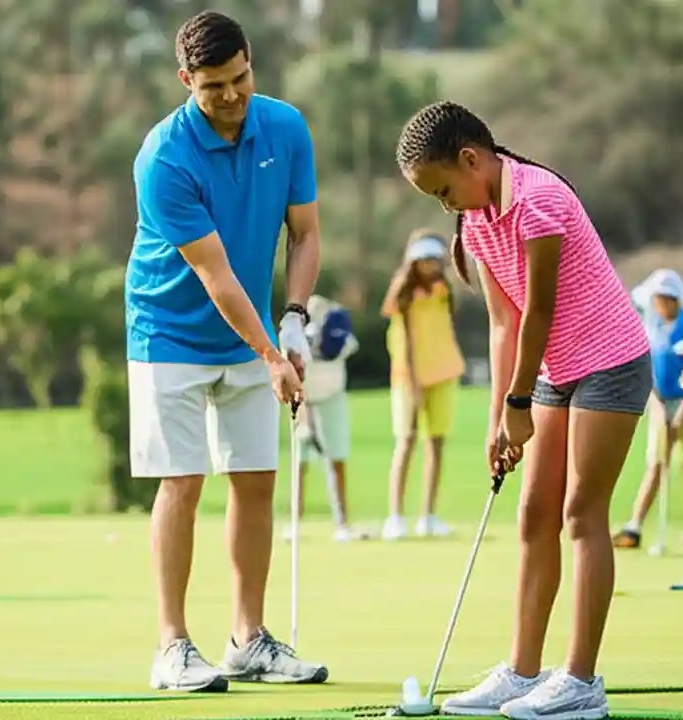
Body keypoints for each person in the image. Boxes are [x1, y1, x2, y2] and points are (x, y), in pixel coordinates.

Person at [395, 101, 651, 720]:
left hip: (610, 361)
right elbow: (503, 321)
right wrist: (498, 417)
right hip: (552, 371)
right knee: (535, 513)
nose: (446, 205)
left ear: (470, 159)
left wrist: (519, 400)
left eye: (444, 189)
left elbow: (538, 310)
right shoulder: (478, 218)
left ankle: (582, 682)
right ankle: (522, 671)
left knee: (581, 514)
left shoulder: (538, 200)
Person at [127, 10, 327, 693]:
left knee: (255, 478)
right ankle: (172, 646)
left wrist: (295, 320)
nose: (233, 95)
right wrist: (272, 353)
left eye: (241, 77)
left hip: (257, 337)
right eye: (215, 86)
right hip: (170, 332)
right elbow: (216, 276)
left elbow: (304, 236)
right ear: (186, 80)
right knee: (182, 482)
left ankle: (248, 640)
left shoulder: (286, 127)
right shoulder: (164, 157)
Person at [614, 269, 683, 551]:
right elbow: (648, 368)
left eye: (662, 299)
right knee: (656, 464)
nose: (658, 304)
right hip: (659, 400)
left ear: (673, 299)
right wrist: (657, 407)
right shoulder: (652, 323)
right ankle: (634, 527)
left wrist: (681, 413)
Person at [379, 230, 467, 540]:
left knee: (436, 443)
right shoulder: (403, 295)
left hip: (443, 373)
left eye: (434, 259)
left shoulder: (444, 289)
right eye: (424, 260)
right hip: (408, 379)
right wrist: (414, 382)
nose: (430, 265)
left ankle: (428, 515)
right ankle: (395, 516)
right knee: (406, 441)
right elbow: (404, 343)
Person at [288, 294, 367, 543]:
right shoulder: (297, 338)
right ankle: (295, 522)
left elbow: (346, 347)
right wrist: (303, 418)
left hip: (332, 399)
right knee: (300, 463)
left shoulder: (339, 335)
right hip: (305, 402)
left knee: (336, 459)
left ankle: (342, 522)